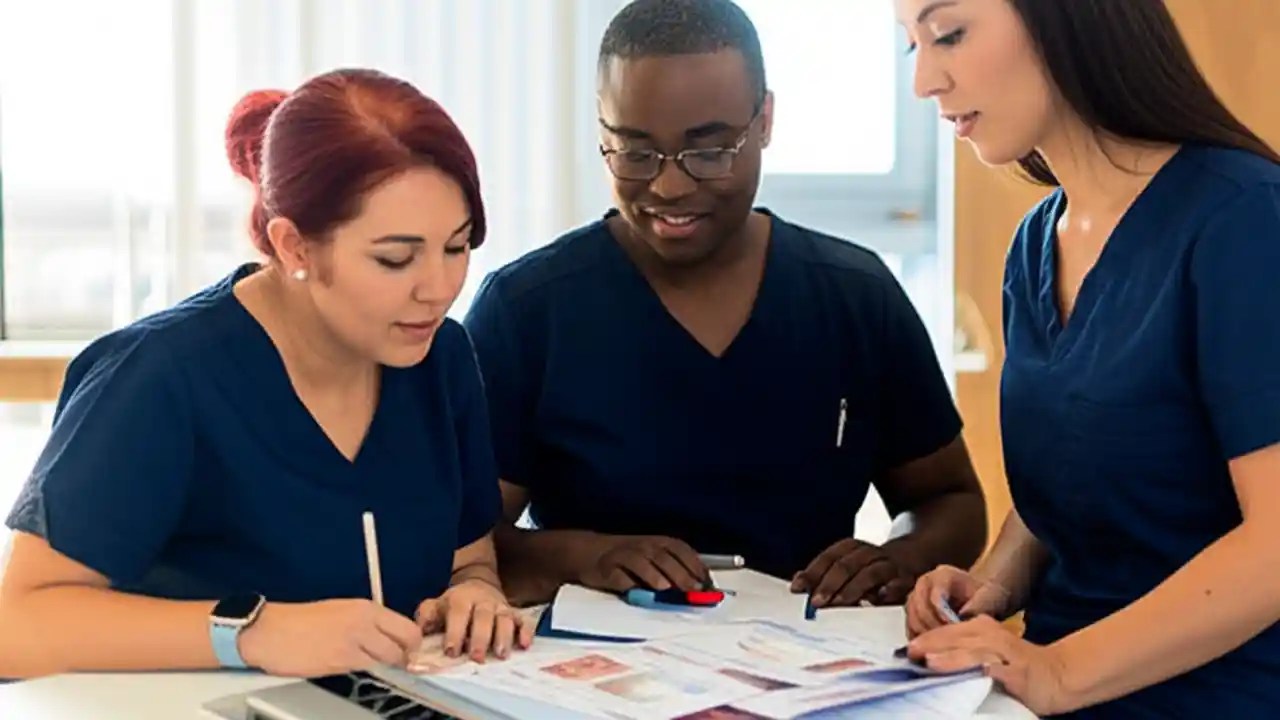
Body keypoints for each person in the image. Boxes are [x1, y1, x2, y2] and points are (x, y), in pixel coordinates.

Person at [0, 68, 533, 679]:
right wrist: (251, 633)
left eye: (457, 247)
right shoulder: (157, 379)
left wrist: (477, 595)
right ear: (294, 247)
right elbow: (14, 624)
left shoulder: (440, 358)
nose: (438, 289)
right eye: (395, 258)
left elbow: (468, 559)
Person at [464, 0, 987, 610]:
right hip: (597, 676)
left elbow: (951, 504)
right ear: (601, 130)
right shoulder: (527, 311)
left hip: (805, 671)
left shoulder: (855, 298)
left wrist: (896, 560)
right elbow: (465, 542)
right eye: (634, 152)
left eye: (709, 152)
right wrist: (584, 556)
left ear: (764, 120)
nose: (669, 186)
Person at [897, 1, 1280, 717]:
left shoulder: (1245, 219)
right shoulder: (1036, 242)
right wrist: (995, 587)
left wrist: (1060, 671)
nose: (923, 80)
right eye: (910, 45)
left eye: (948, 34)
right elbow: (1076, 476)